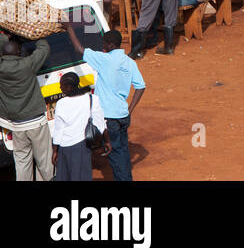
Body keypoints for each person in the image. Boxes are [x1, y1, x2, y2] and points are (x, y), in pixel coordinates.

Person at [63, 22, 145, 182]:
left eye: (104, 45)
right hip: (123, 114)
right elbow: (141, 87)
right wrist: (130, 108)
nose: (102, 48)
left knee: (114, 154)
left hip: (109, 116)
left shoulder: (104, 59)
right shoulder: (129, 62)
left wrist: (69, 28)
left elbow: (79, 49)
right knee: (122, 151)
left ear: (111, 45)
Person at [0, 31, 53, 181]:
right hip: (36, 122)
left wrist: (5, 37)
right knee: (44, 160)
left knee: (22, 161)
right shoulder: (27, 65)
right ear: (18, 52)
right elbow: (44, 49)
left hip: (16, 124)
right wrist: (36, 34)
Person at [51, 72, 107, 182]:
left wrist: (55, 151)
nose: (60, 87)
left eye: (61, 85)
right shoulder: (92, 99)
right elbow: (100, 125)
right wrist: (107, 141)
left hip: (65, 148)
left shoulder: (61, 103)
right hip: (82, 146)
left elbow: (58, 131)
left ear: (68, 87)